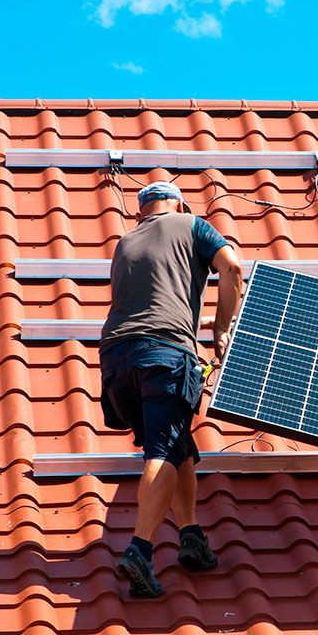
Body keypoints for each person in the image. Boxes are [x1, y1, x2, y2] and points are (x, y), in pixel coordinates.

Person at [100, 181, 243, 598]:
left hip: (115, 363)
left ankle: (191, 536)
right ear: (178, 204)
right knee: (161, 451)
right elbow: (232, 268)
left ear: (141, 212)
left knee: (177, 441)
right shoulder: (192, 224)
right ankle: (140, 551)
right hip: (164, 353)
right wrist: (219, 329)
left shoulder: (126, 241)